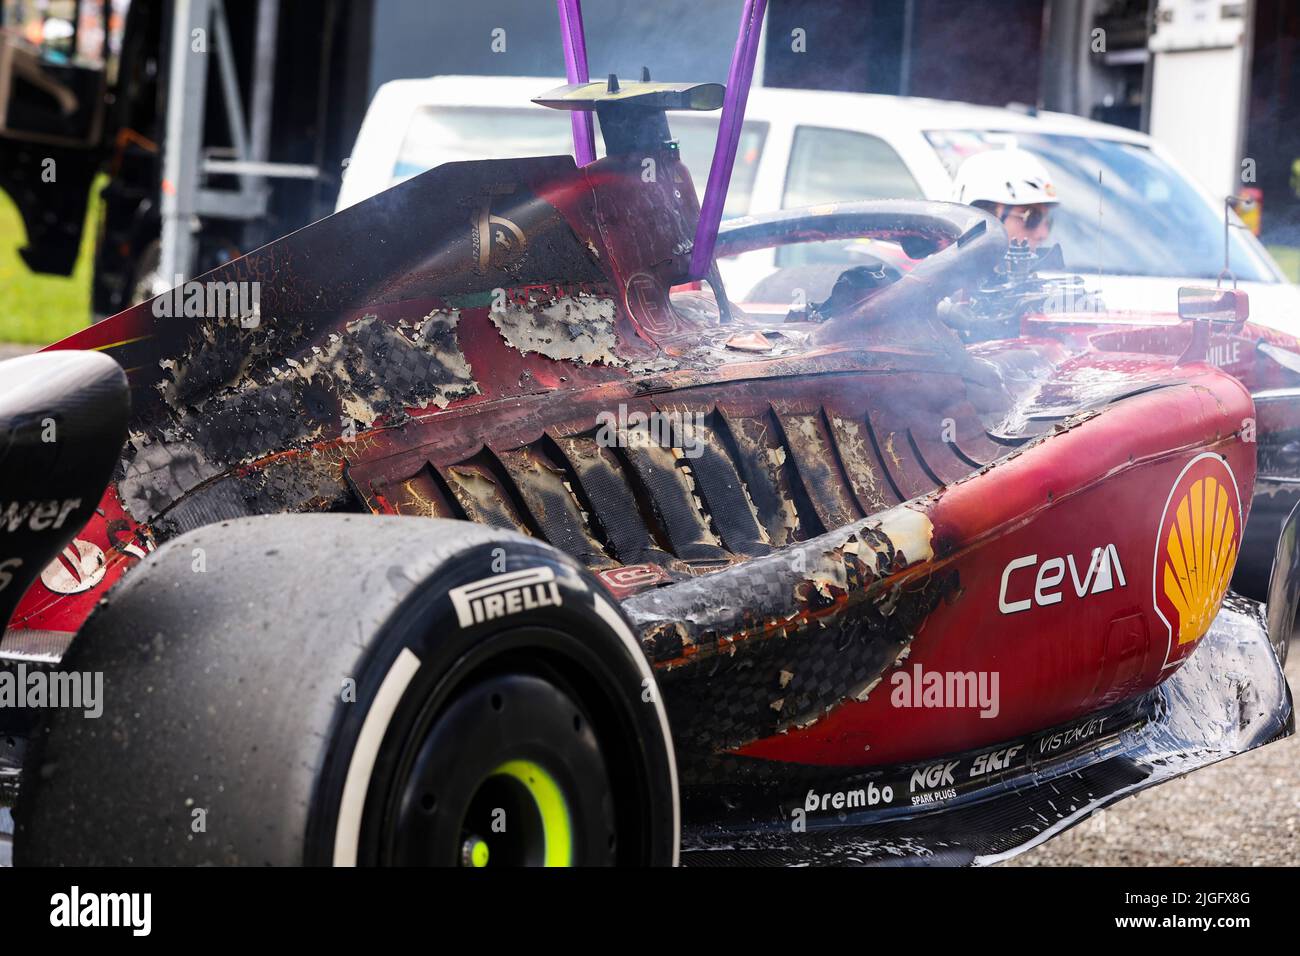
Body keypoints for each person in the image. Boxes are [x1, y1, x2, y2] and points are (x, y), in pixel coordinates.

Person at [952, 147, 1060, 250]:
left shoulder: (1055, 269)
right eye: (1032, 218)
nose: (1043, 234)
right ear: (982, 218)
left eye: (1048, 222)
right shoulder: (943, 268)